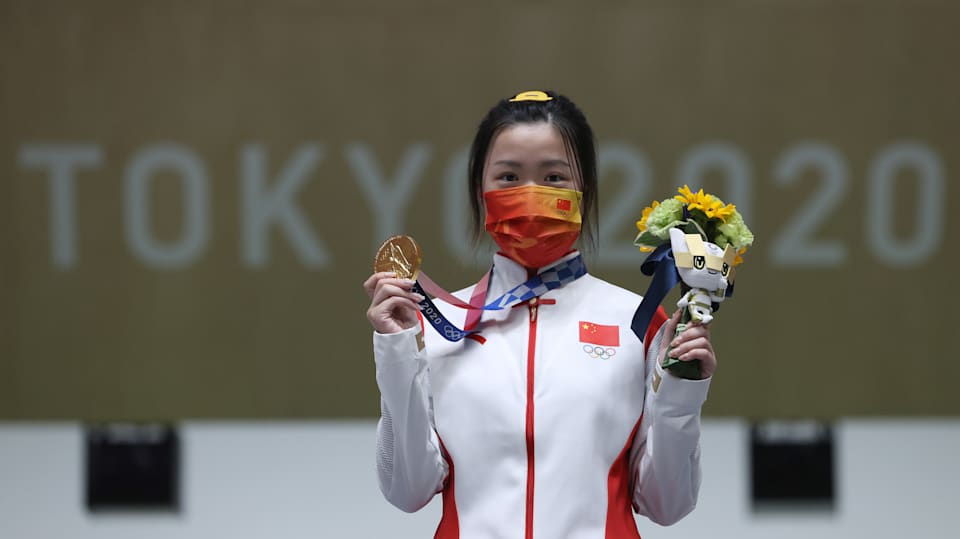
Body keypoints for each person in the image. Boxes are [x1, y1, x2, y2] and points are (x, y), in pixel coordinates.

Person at [363, 90, 716, 538]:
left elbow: (668, 504)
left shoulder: (640, 323)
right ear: (480, 192)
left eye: (553, 177)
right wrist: (396, 352)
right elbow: (406, 491)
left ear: (583, 190)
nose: (530, 195)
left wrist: (683, 393)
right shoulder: (433, 324)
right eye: (508, 178)